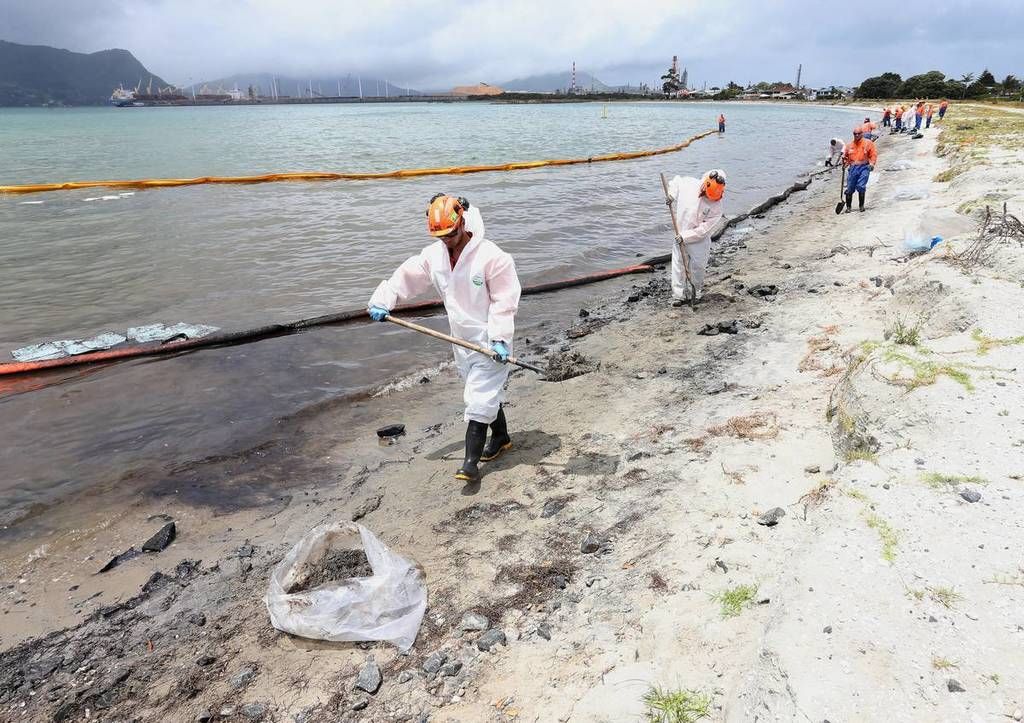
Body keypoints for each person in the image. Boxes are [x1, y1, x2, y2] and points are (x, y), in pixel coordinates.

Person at [368, 194, 521, 483]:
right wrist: (383, 300)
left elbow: (505, 301)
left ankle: (470, 464)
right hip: (460, 341)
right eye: (441, 236)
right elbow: (407, 277)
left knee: (477, 399)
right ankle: (500, 437)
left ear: (462, 222)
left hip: (491, 340)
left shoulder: (492, 257)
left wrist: (500, 337)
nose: (448, 241)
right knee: (485, 393)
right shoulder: (434, 256)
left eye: (452, 234)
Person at [666, 169, 726, 302]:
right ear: (704, 185)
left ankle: (696, 292)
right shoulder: (689, 184)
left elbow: (704, 230)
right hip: (679, 232)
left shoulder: (717, 206)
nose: (708, 199)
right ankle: (678, 295)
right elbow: (676, 181)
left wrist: (685, 237)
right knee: (678, 265)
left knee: (698, 267)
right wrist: (671, 195)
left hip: (699, 240)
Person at [842, 126, 877, 213]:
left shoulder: (868, 143)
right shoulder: (849, 145)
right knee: (850, 188)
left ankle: (861, 206)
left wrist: (872, 164)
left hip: (864, 167)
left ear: (862, 134)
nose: (857, 135)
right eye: (855, 134)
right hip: (853, 169)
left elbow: (873, 155)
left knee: (861, 186)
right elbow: (846, 158)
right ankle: (848, 207)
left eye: (858, 134)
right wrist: (844, 162)